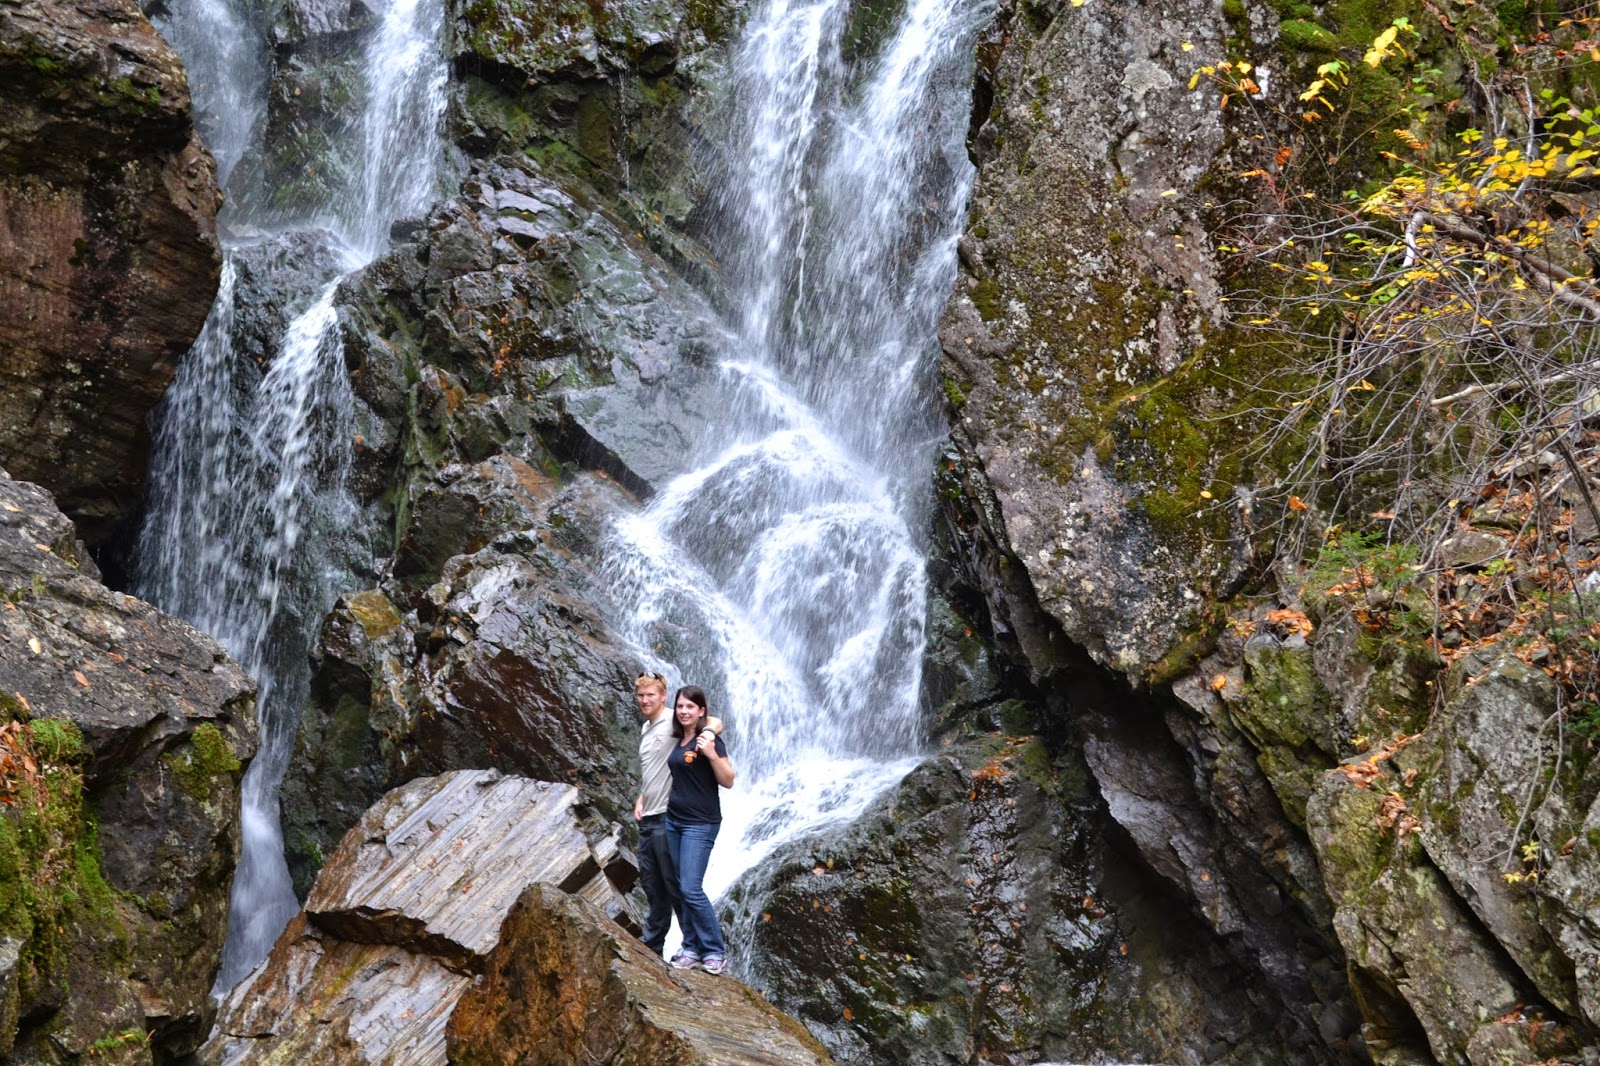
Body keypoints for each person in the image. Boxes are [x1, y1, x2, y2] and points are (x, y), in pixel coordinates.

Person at [633, 672, 720, 958]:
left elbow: (714, 722)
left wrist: (709, 734)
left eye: (651, 695)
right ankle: (652, 947)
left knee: (678, 888)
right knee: (653, 887)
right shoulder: (647, 728)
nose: (645, 700)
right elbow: (656, 769)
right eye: (641, 695)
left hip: (669, 817)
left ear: (663, 696)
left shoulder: (675, 720)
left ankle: (694, 948)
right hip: (648, 818)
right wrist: (642, 796)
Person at [664, 685, 734, 975]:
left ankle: (714, 950)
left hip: (700, 823)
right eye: (680, 706)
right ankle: (691, 947)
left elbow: (728, 780)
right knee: (680, 888)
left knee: (691, 888)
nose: (684, 711)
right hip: (674, 821)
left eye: (690, 707)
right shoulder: (678, 739)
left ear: (701, 710)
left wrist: (711, 753)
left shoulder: (709, 740)